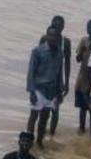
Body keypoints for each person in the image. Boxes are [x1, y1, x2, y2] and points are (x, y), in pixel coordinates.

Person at [26, 20, 71, 148]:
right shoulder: (37, 51)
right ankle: (28, 140)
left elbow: (59, 73)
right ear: (46, 36)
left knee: (44, 118)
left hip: (52, 91)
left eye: (56, 36)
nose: (53, 38)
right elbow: (31, 72)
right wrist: (31, 91)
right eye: (50, 35)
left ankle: (39, 142)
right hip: (39, 89)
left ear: (58, 37)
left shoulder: (60, 53)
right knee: (33, 116)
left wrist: (60, 91)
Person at [73, 19, 91, 134]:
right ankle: (81, 129)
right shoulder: (84, 40)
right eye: (88, 27)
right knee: (82, 107)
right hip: (82, 78)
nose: (90, 29)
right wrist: (82, 51)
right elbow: (77, 59)